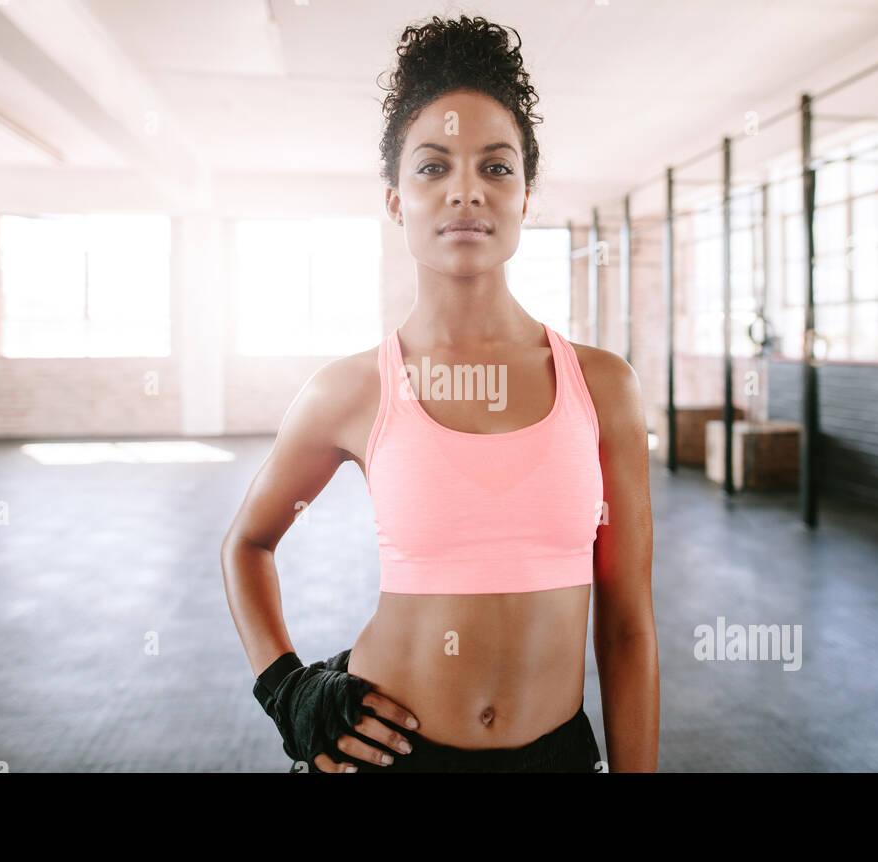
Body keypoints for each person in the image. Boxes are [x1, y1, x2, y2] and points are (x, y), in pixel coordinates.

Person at [221, 14, 658, 773]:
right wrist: (286, 690)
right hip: (384, 757)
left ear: (526, 194)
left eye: (495, 167)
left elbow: (626, 629)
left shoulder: (603, 387)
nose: (466, 191)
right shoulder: (350, 390)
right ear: (395, 199)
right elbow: (248, 545)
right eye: (432, 167)